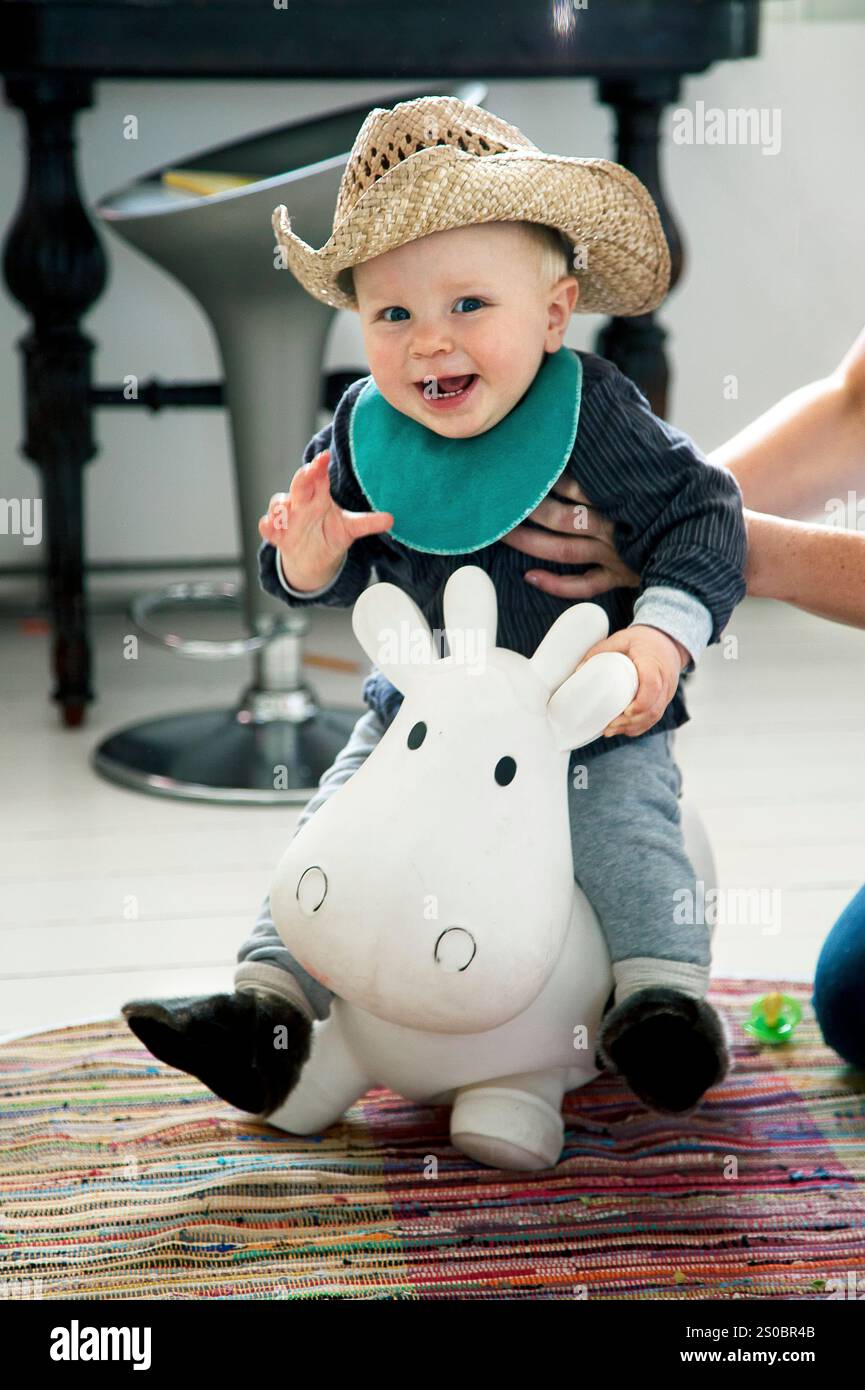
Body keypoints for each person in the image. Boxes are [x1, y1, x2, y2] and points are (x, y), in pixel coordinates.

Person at [123, 93, 753, 1119]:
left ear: (552, 313)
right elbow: (321, 562)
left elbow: (704, 516)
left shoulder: (591, 411)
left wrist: (661, 637)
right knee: (332, 839)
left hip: (579, 721)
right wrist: (313, 558)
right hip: (417, 718)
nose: (428, 344)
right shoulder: (367, 427)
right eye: (394, 315)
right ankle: (264, 1010)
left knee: (630, 832)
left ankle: (658, 998)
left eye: (469, 306)